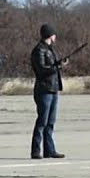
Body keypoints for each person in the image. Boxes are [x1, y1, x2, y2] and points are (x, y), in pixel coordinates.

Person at [30, 23, 68, 159]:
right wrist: (58, 67)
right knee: (42, 121)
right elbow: (42, 70)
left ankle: (49, 150)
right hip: (44, 90)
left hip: (53, 89)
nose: (55, 37)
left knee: (50, 122)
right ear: (50, 35)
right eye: (54, 34)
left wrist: (59, 63)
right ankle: (35, 151)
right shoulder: (39, 50)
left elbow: (51, 66)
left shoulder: (50, 49)